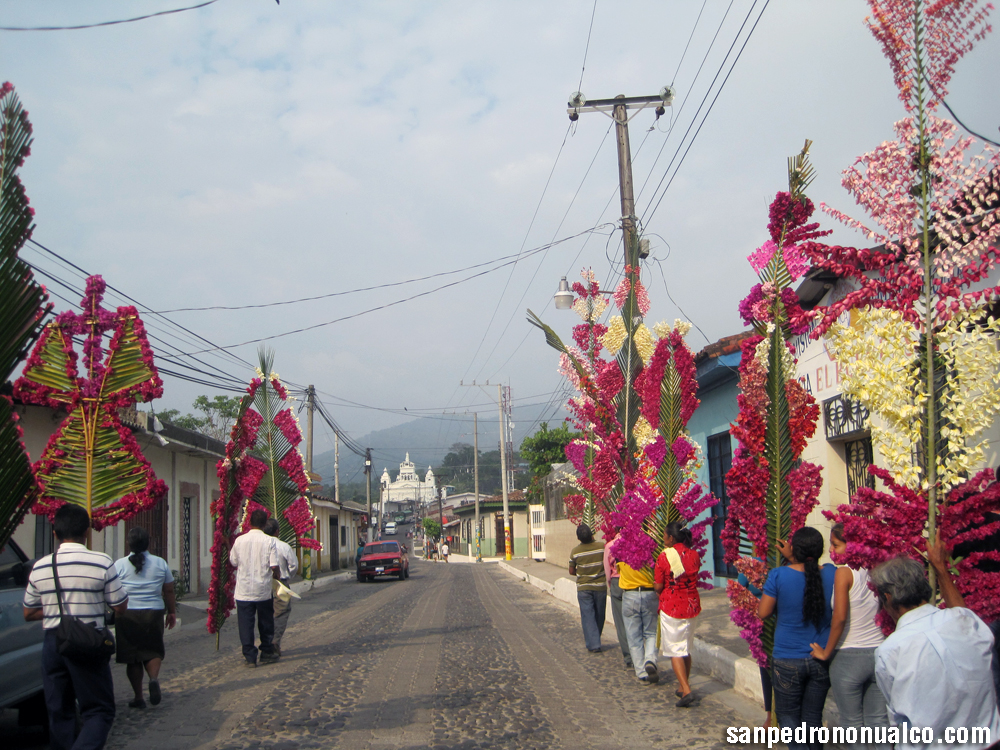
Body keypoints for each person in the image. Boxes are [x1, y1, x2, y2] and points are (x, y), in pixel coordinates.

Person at [871, 543, 1000, 750]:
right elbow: (961, 612)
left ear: (887, 598)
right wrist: (940, 569)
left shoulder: (891, 651)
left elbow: (899, 715)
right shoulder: (963, 622)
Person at [22, 504, 129, 750]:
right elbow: (120, 606)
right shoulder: (101, 562)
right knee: (99, 711)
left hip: (53, 643)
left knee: (59, 712)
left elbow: (28, 612)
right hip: (88, 640)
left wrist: (55, 609)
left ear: (55, 533)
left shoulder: (40, 567)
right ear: (87, 531)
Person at [808, 524, 887, 750]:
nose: (832, 550)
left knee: (852, 725)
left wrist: (826, 651)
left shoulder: (844, 572)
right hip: (879, 652)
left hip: (849, 656)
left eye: (836, 544)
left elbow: (839, 618)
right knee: (878, 724)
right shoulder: (877, 569)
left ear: (852, 545)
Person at [758, 527, 836, 750]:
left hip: (787, 657)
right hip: (819, 656)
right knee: (813, 720)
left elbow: (763, 612)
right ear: (821, 550)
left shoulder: (779, 575)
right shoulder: (832, 574)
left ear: (795, 550)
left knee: (789, 721)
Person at [114, 526, 176, 709]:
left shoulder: (119, 565)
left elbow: (112, 590)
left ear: (129, 543)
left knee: (132, 657)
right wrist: (171, 612)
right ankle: (154, 679)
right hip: (153, 612)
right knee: (153, 650)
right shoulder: (160, 563)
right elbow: (169, 590)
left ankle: (138, 697)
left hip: (127, 614)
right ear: (149, 542)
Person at [653, 522, 701, 707]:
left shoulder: (665, 556)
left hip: (672, 606)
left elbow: (658, 585)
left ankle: (686, 690)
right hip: (691, 605)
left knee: (674, 649)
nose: (663, 538)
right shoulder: (694, 554)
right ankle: (683, 685)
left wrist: (660, 589)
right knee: (685, 648)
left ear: (671, 538)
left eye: (664, 535)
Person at [229, 509, 280, 667]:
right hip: (262, 590)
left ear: (249, 522)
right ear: (265, 524)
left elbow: (233, 562)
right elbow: (274, 566)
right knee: (265, 622)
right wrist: (277, 576)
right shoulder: (269, 541)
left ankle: (250, 656)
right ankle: (266, 651)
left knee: (246, 624)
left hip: (243, 591)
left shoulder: (239, 541)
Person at [614, 538, 659, 684]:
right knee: (651, 632)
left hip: (630, 595)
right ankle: (650, 659)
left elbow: (618, 569)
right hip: (649, 593)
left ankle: (641, 672)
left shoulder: (621, 550)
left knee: (634, 637)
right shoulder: (652, 547)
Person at [568, 523, 606, 653]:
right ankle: (595, 639)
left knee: (588, 615)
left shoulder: (575, 552)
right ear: (591, 534)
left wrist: (581, 571)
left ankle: (594, 643)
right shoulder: (602, 547)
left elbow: (571, 571)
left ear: (579, 538)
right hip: (600, 587)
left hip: (583, 588)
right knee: (600, 615)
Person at [263, 518, 298, 657]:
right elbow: (294, 565)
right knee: (282, 612)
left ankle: (267, 642)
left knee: (266, 613)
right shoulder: (284, 546)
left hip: (263, 582)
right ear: (277, 532)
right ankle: (274, 641)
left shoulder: (261, 545)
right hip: (280, 583)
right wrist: (288, 576)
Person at [603, 531, 633, 671]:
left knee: (620, 622)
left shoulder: (609, 546)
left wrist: (610, 584)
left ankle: (628, 656)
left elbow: (607, 570)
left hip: (616, 581)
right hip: (632, 581)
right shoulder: (632, 543)